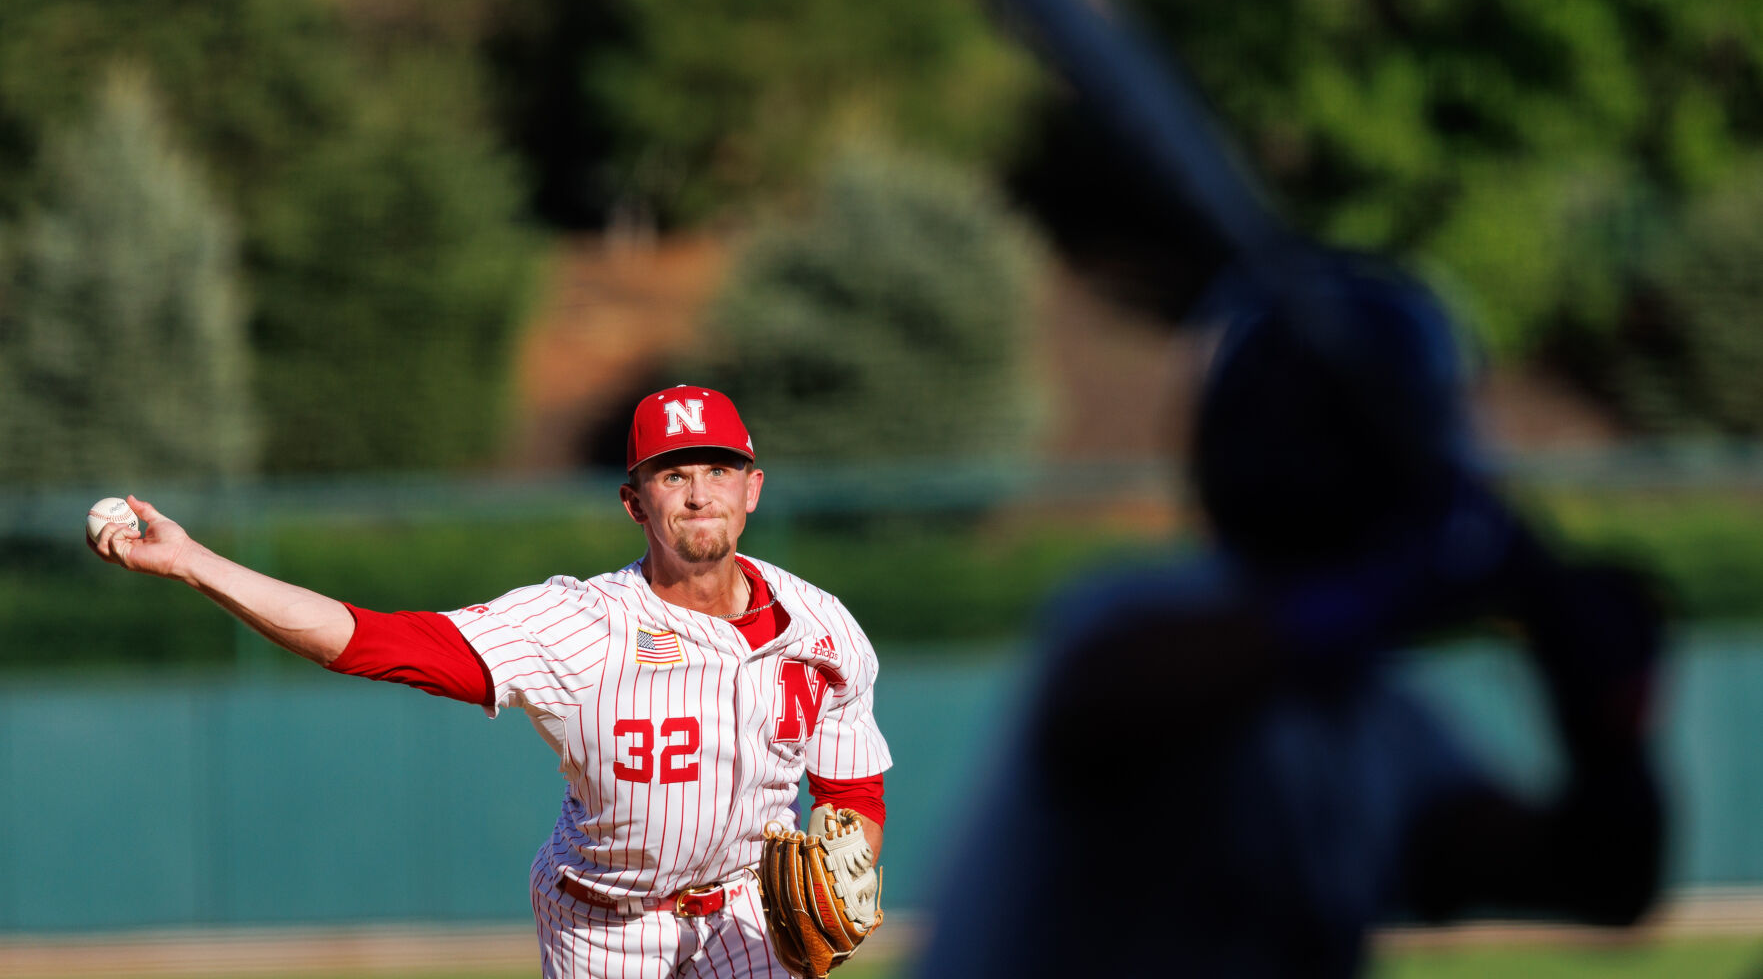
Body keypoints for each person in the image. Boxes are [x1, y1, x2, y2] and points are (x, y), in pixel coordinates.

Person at [916, 259, 1663, 978]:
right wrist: (1398, 586)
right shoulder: (1136, 616)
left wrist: (1607, 735)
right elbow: (1099, 707)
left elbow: (1599, 884)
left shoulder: (1374, 730)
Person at [88, 385, 892, 979]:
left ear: (752, 487)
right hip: (604, 924)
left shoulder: (821, 630)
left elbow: (851, 793)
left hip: (748, 912)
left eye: (718, 469)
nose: (697, 491)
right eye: (671, 473)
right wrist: (195, 563)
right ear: (633, 502)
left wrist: (843, 883)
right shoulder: (576, 624)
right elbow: (374, 641)